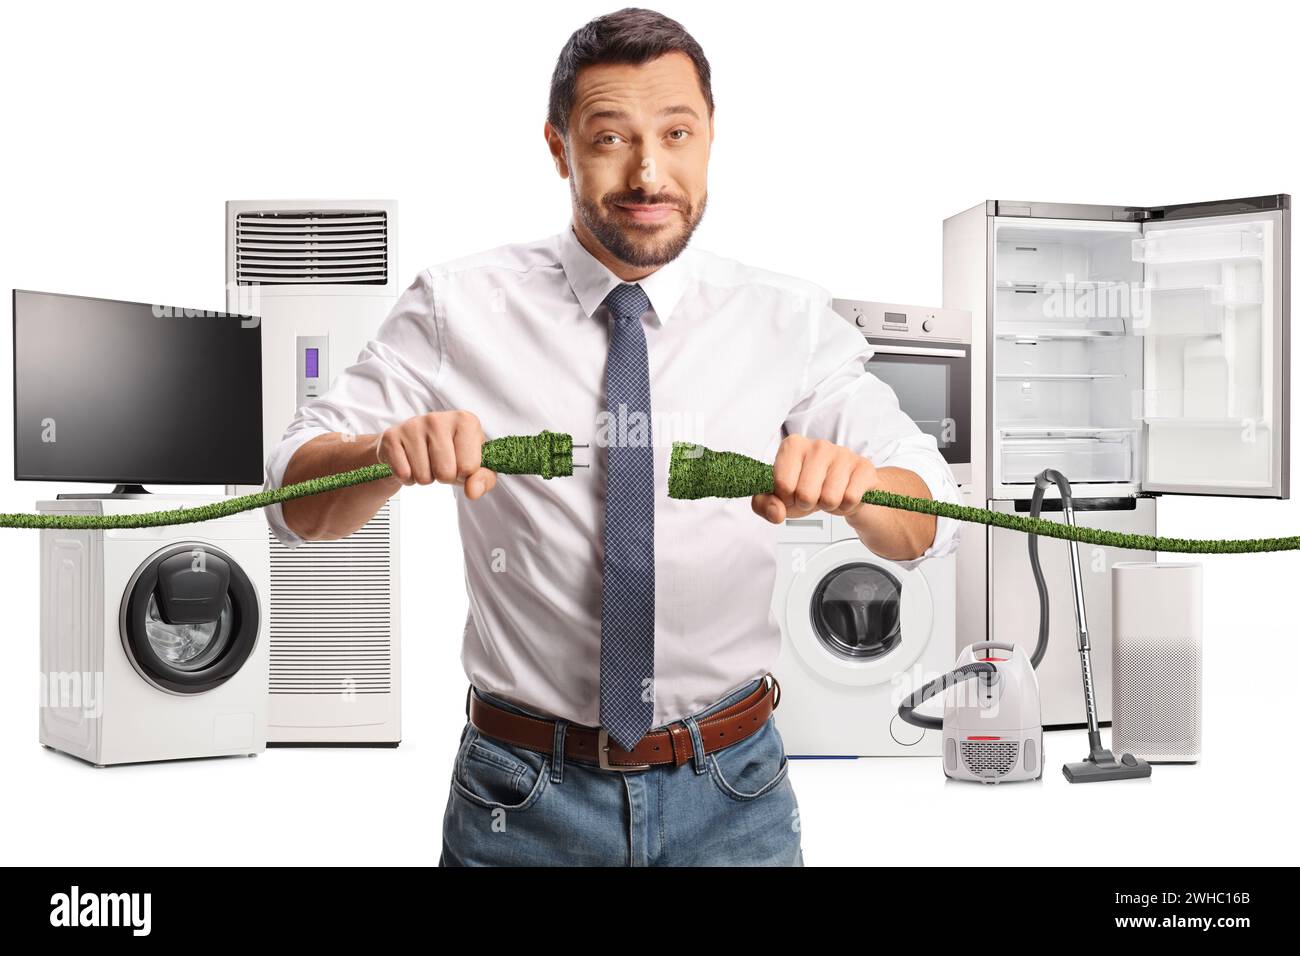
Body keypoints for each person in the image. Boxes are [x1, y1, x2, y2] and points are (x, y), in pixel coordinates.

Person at [263, 6, 961, 867]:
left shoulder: (787, 319)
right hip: (520, 798)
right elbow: (293, 502)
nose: (648, 172)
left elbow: (934, 518)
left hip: (733, 792)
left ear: (711, 138)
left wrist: (861, 491)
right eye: (609, 139)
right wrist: (383, 456)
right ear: (558, 147)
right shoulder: (455, 307)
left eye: (677, 133)